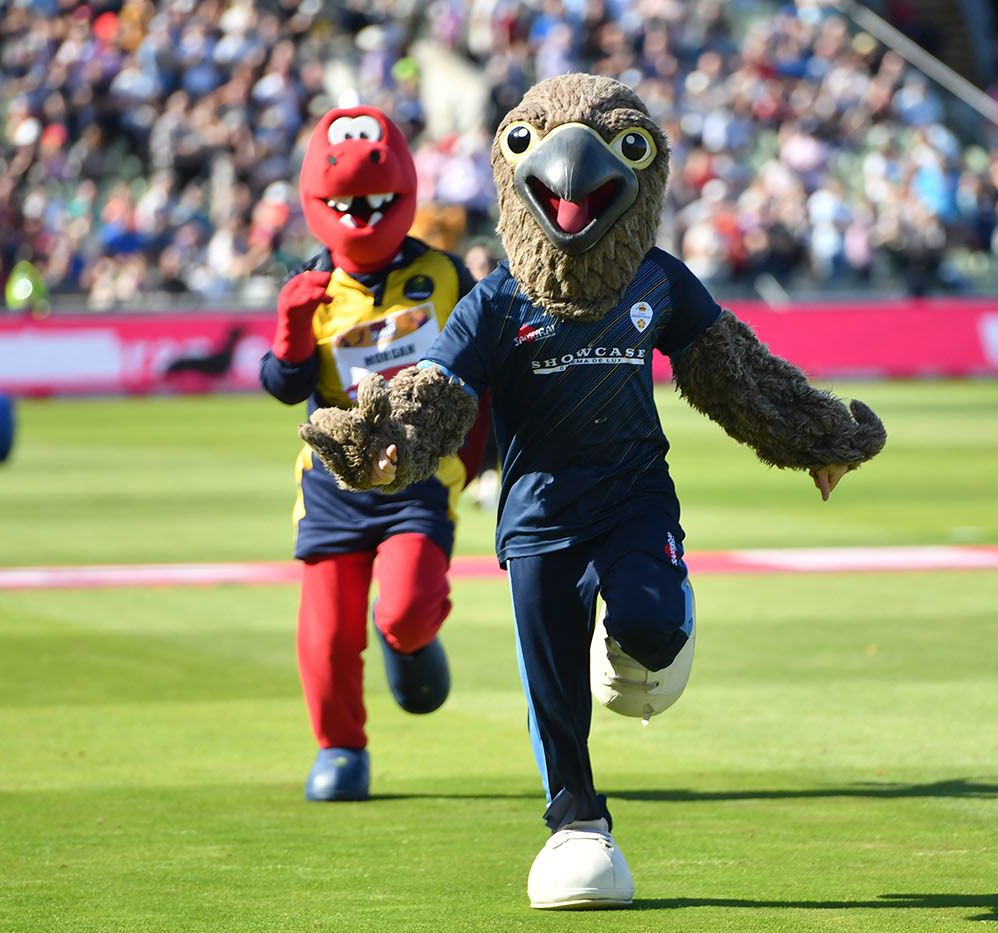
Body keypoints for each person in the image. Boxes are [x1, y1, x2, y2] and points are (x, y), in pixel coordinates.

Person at [296, 74, 887, 910]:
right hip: (538, 517)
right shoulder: (496, 300)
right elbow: (434, 392)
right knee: (554, 682)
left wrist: (816, 438)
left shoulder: (657, 281)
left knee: (647, 624)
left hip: (636, 497)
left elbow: (732, 371)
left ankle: (662, 618)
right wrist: (381, 444)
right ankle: (577, 825)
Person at [259, 106, 485, 800]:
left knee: (407, 606)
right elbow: (281, 385)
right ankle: (341, 750)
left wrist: (485, 461)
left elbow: (486, 374)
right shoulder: (312, 286)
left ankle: (412, 643)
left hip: (418, 478)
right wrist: (293, 330)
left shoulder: (445, 276)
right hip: (333, 482)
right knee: (326, 633)